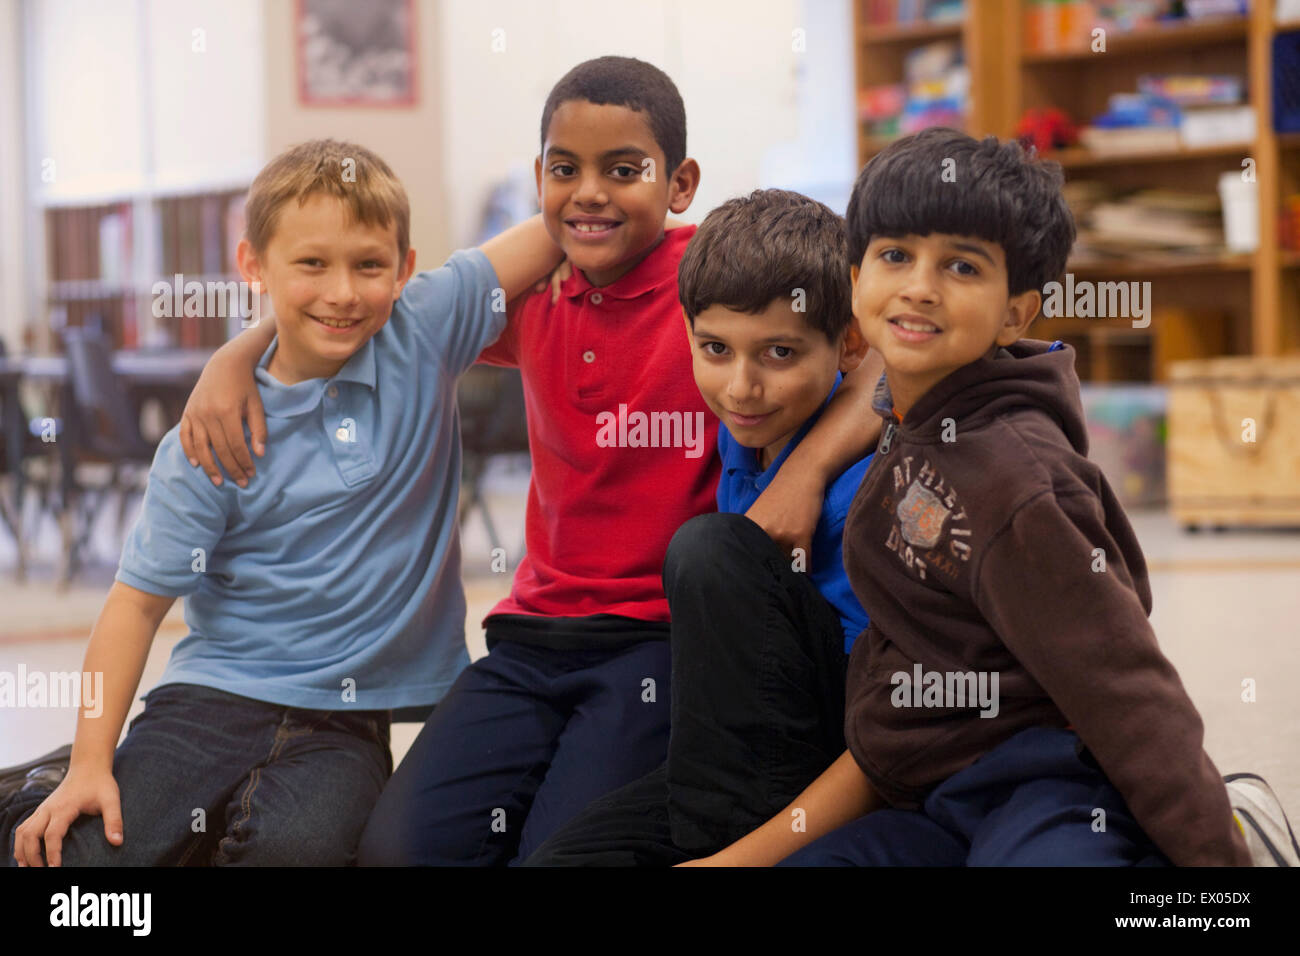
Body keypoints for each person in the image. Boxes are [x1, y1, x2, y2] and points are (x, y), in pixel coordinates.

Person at [179, 57, 883, 865]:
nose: (590, 192)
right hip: (528, 639)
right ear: (539, 178)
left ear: (679, 183)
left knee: (553, 854)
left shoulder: (713, 282)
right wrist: (235, 353)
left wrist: (805, 471)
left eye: (624, 171)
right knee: (398, 855)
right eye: (565, 170)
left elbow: (881, 356)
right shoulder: (536, 293)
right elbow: (362, 312)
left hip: (655, 643)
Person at [688, 128, 1289, 867]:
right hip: (933, 794)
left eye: (962, 266)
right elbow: (897, 677)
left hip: (1049, 785)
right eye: (896, 255)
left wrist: (1217, 874)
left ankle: (1234, 834)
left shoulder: (1019, 479)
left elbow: (1128, 691)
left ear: (1015, 314)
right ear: (856, 278)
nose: (919, 286)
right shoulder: (904, 432)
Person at [0, 138, 563, 866]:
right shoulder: (212, 437)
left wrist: (241, 343)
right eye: (311, 265)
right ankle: (37, 783)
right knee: (88, 867)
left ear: (405, 269)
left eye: (368, 264)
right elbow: (134, 606)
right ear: (252, 267)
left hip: (345, 724)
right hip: (208, 699)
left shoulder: (423, 330)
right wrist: (88, 763)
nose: (342, 291)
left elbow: (563, 223)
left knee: (297, 854)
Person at [524, 189, 876, 866]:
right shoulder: (740, 432)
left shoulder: (870, 491)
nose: (742, 387)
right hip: (723, 760)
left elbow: (883, 737)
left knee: (708, 548)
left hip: (829, 767)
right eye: (715, 348)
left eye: (779, 353)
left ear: (850, 343)